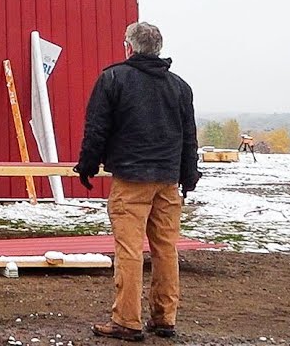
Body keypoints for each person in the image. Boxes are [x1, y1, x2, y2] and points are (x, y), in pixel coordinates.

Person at [75, 22, 200, 342]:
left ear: (128, 46)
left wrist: (87, 166)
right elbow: (189, 138)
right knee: (165, 250)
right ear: (158, 49)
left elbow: (97, 128)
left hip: (131, 179)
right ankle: (164, 318)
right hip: (168, 181)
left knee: (129, 251)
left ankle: (126, 321)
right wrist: (188, 177)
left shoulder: (113, 78)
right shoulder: (180, 86)